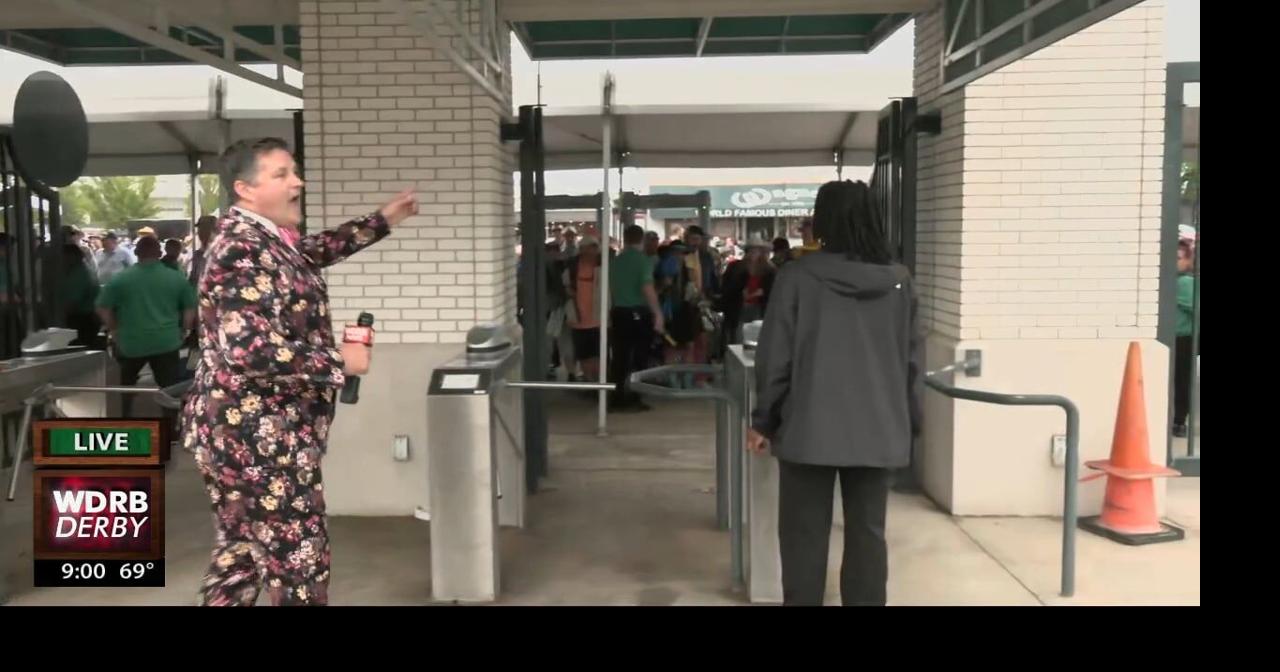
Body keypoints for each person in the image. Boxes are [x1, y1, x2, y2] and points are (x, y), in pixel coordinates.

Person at [181, 137, 417, 606]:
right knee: (299, 562)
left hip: (244, 433)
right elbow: (248, 350)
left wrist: (383, 220)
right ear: (246, 189)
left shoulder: (266, 239)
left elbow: (316, 250)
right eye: (283, 174)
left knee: (241, 556)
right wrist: (339, 361)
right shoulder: (239, 249)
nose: (298, 182)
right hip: (258, 436)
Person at [747, 180, 922, 607]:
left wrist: (764, 419)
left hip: (809, 427)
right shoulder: (899, 281)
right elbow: (912, 362)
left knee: (803, 536)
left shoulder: (797, 277)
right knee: (868, 535)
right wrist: (910, 424)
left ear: (822, 219)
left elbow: (776, 358)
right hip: (880, 427)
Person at [96, 236, 196, 418]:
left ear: (136, 253)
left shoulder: (121, 279)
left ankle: (123, 421)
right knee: (168, 390)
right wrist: (185, 330)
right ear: (159, 253)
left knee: (124, 389)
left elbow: (103, 308)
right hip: (166, 341)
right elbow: (190, 308)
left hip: (130, 343)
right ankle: (171, 429)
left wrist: (114, 329)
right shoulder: (175, 277)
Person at [609, 224, 664, 411]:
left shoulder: (616, 261)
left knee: (620, 356)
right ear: (642, 240)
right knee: (639, 356)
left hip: (618, 312)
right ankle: (634, 396)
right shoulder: (643, 261)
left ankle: (616, 396)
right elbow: (647, 288)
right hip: (638, 313)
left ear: (625, 239)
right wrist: (658, 313)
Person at [719, 236, 776, 344]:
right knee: (738, 337)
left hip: (759, 309)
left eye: (756, 251)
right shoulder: (735, 267)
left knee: (757, 337)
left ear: (762, 252)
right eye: (751, 250)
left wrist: (762, 292)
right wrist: (740, 292)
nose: (753, 253)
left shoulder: (769, 270)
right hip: (739, 308)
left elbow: (773, 290)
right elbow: (726, 288)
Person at [563, 236, 604, 384]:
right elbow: (564, 286)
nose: (593, 251)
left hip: (599, 318)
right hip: (578, 319)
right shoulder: (572, 266)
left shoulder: (602, 265)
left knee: (598, 354)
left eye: (594, 248)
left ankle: (598, 383)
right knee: (585, 355)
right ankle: (590, 382)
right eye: (590, 248)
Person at [1172, 237, 1198, 437]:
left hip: (1184, 338)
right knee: (1181, 381)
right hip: (1180, 338)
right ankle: (1178, 420)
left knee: (1181, 381)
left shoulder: (1185, 283)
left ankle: (1178, 421)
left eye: (1180, 257)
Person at [58, 242, 101, 348]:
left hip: (82, 319)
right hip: (86, 317)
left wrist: (57, 318)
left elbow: (72, 302)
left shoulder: (79, 274)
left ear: (72, 257)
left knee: (78, 350)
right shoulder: (82, 270)